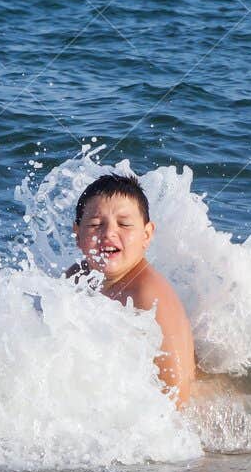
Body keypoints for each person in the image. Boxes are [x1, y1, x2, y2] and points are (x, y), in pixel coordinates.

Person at [69, 172, 195, 408]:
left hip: (201, 410)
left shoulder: (148, 294)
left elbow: (179, 395)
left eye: (124, 224)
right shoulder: (76, 276)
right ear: (77, 235)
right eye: (95, 225)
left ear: (146, 235)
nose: (108, 233)